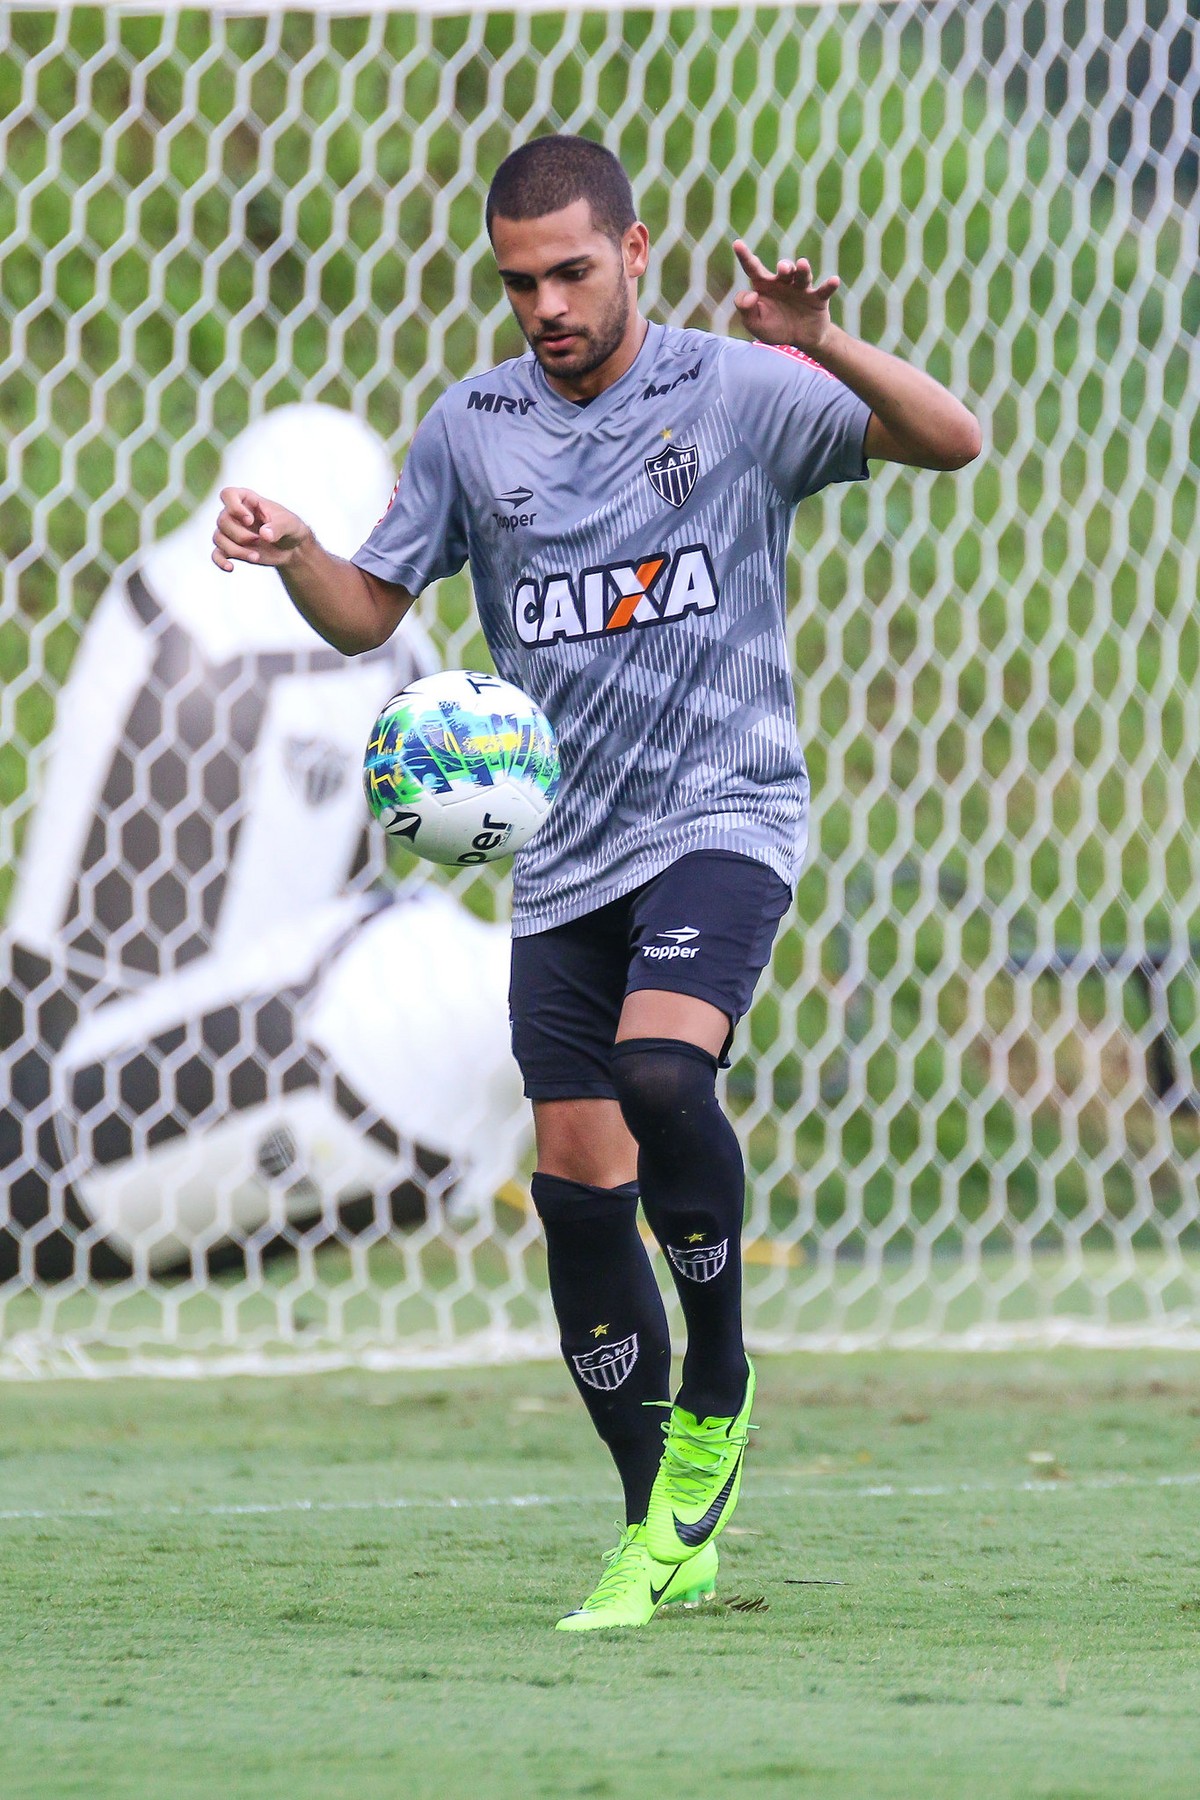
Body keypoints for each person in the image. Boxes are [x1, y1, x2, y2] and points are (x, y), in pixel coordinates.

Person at [212, 134, 980, 1631]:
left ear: (635, 254)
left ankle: (724, 1386)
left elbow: (951, 440)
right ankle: (658, 1530)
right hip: (561, 854)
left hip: (724, 807)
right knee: (575, 1188)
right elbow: (370, 617)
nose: (546, 304)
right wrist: (301, 552)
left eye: (572, 271)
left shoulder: (733, 391)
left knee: (660, 1073)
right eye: (519, 281)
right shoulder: (472, 430)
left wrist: (823, 344)